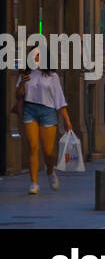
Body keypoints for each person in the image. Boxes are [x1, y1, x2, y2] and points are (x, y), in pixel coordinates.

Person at [15, 56, 73, 195]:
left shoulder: (52, 76)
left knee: (48, 151)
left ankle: (50, 170)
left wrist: (67, 120)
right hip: (30, 111)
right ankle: (33, 183)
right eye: (34, 56)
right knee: (33, 147)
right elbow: (17, 95)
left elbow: (59, 99)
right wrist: (22, 83)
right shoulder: (26, 73)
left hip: (48, 111)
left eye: (39, 56)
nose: (36, 59)